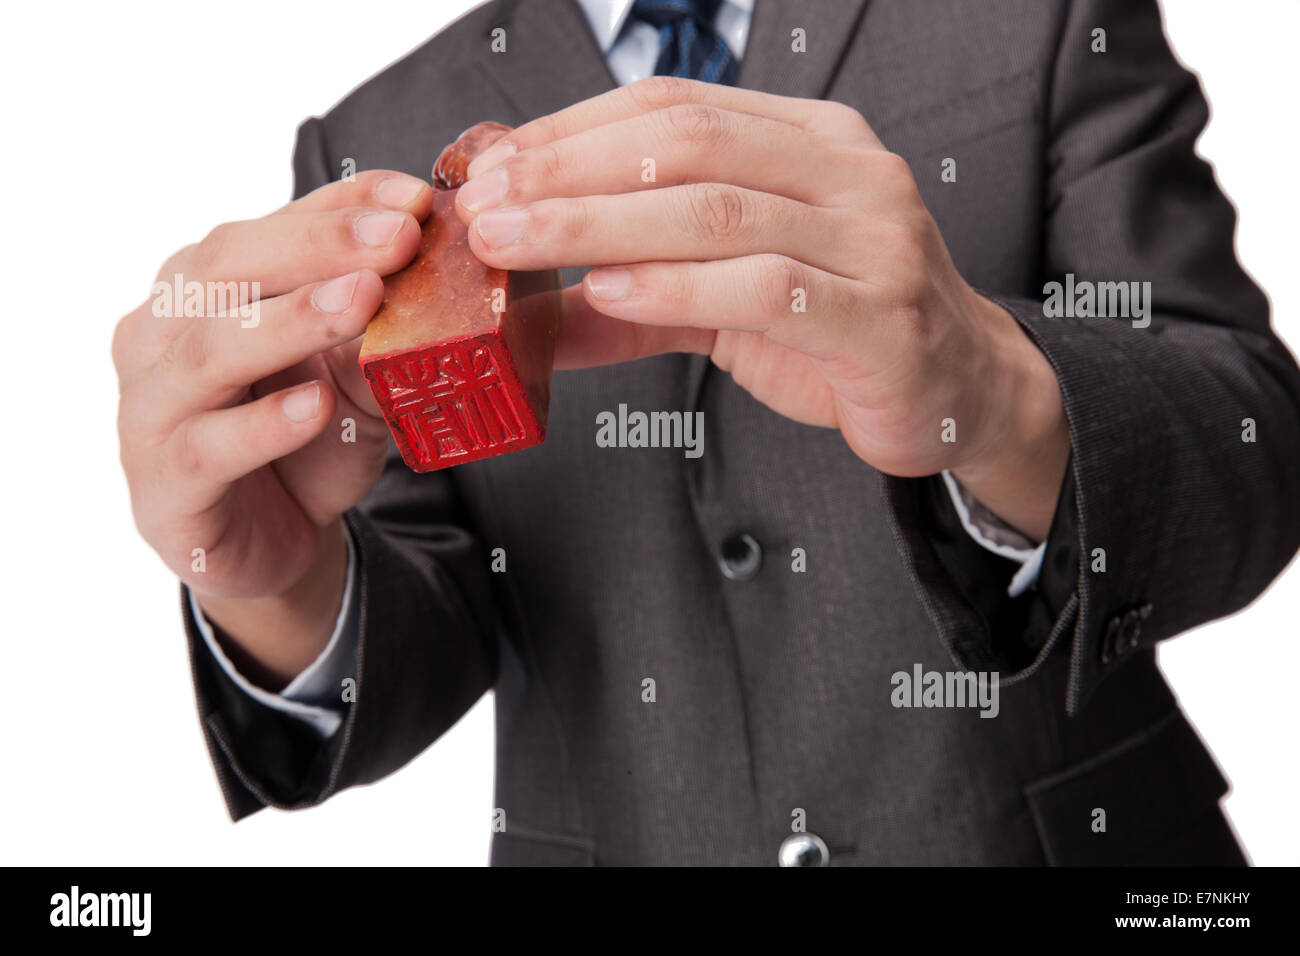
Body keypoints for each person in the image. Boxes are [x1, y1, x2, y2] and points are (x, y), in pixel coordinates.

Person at [112, 0, 1300, 865]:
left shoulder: (1035, 16)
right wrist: (271, 587)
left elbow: (1256, 438)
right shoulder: (371, 131)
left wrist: (992, 397)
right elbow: (431, 587)